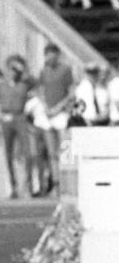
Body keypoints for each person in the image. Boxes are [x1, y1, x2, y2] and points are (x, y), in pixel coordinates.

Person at [0, 54, 34, 198]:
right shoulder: (0, 86)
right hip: (6, 118)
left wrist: (23, 69)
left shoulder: (25, 83)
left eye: (16, 69)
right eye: (11, 68)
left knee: (27, 153)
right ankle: (12, 186)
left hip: (20, 117)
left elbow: (36, 84)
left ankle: (28, 186)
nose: (13, 72)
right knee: (7, 154)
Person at [36, 43, 74, 196]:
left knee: (65, 150)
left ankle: (68, 184)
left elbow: (71, 93)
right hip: (48, 114)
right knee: (52, 153)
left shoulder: (65, 70)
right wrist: (45, 106)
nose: (49, 56)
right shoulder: (43, 71)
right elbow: (40, 90)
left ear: (57, 55)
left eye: (52, 53)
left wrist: (58, 107)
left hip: (61, 113)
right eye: (47, 53)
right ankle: (56, 185)